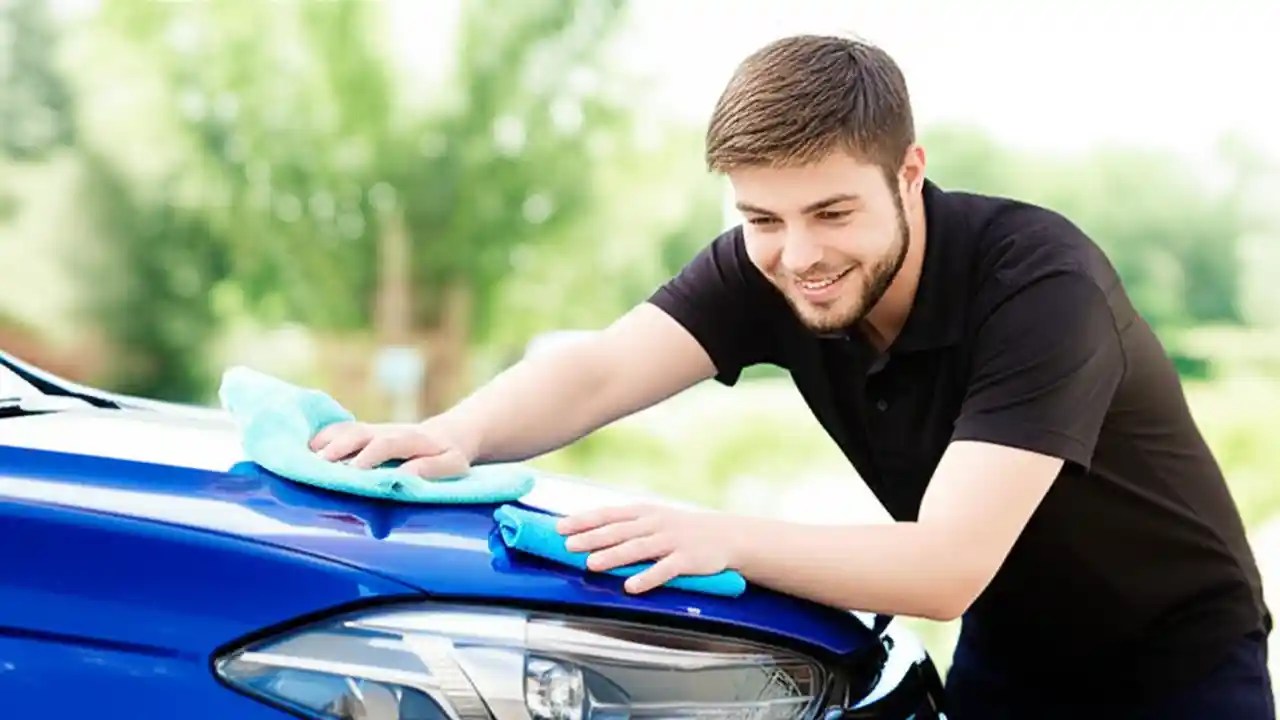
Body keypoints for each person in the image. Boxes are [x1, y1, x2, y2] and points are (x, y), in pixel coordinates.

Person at [308, 34, 1273, 718]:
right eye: (760, 217)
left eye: (831, 212)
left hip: (1177, 666)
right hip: (1009, 655)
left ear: (909, 174)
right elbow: (601, 369)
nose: (797, 253)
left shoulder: (1041, 283)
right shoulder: (764, 265)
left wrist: (710, 535)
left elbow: (944, 566)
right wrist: (454, 435)